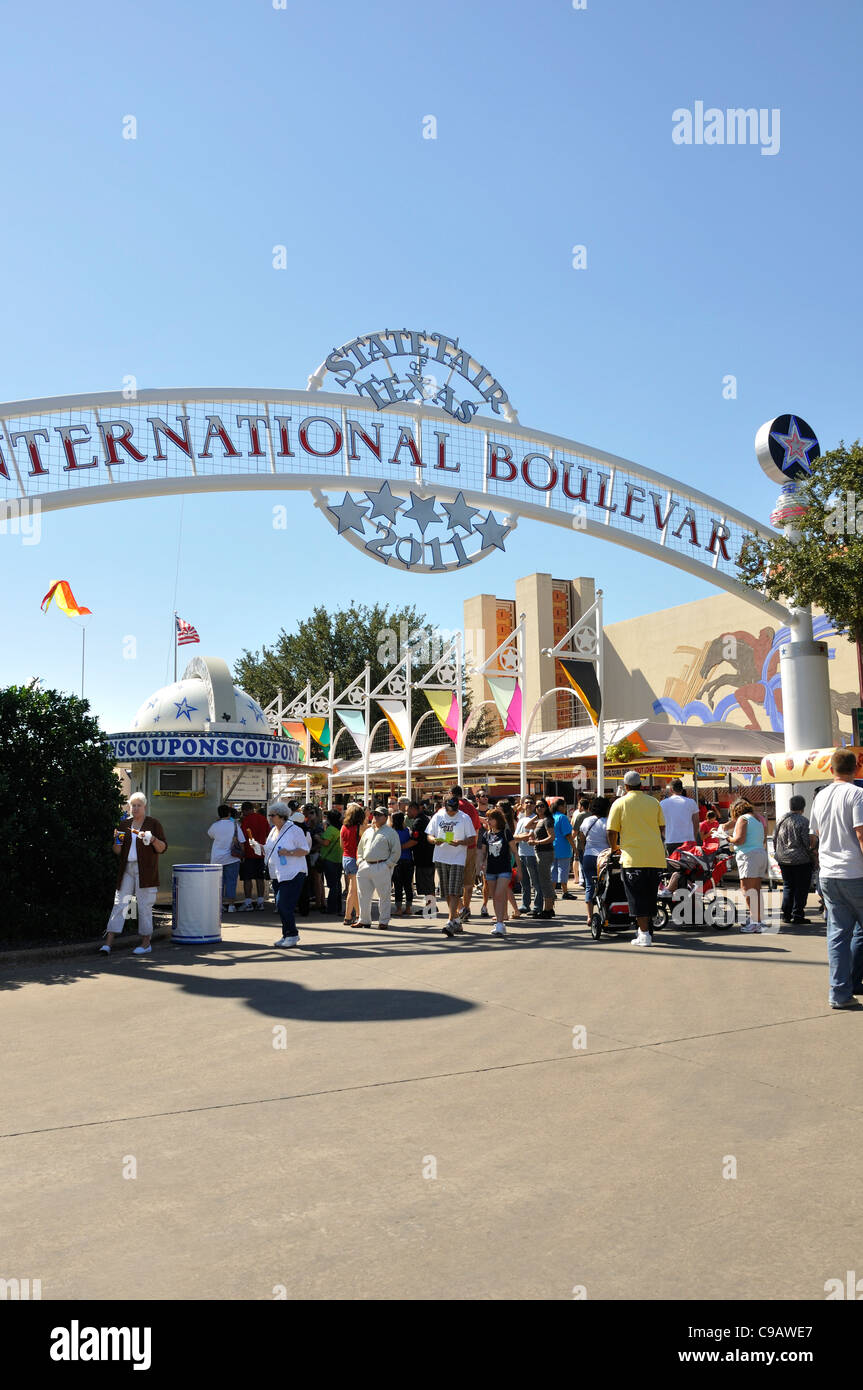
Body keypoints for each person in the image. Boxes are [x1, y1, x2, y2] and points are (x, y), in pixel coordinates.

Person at [809, 750, 863, 1009]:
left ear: (831, 769)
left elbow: (816, 834)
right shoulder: (857, 794)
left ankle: (840, 992)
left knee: (839, 934)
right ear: (856, 767)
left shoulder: (820, 796)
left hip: (828, 873)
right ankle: (850, 983)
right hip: (855, 872)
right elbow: (861, 834)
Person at [101, 793, 167, 955]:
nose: (136, 808)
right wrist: (117, 841)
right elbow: (117, 851)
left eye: (139, 805)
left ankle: (146, 943)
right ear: (129, 807)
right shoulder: (124, 825)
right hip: (127, 870)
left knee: (144, 906)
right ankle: (108, 943)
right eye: (133, 805)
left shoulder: (153, 823)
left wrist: (152, 839)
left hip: (146, 871)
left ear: (144, 807)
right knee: (120, 904)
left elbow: (162, 848)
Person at [606, 770, 666, 947]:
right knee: (650, 896)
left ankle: (645, 935)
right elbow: (662, 827)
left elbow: (611, 831)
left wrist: (614, 848)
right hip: (655, 856)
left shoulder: (620, 803)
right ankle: (644, 931)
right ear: (642, 784)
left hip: (633, 858)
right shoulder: (654, 802)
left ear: (625, 786)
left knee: (636, 897)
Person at [254, 804, 311, 947]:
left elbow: (305, 850)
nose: (270, 818)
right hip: (278, 873)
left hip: (293, 872)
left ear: (281, 816)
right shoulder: (274, 831)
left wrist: (289, 852)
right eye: (270, 815)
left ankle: (292, 934)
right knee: (281, 905)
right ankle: (287, 934)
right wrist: (256, 846)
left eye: (272, 815)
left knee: (283, 904)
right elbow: (268, 848)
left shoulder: (294, 830)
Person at [427, 794, 477, 938]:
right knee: (447, 892)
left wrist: (460, 842)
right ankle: (456, 920)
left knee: (454, 891)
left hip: (457, 858)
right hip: (441, 857)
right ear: (444, 805)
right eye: (449, 809)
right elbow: (429, 834)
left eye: (454, 809)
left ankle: (450, 921)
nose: (452, 812)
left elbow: (472, 838)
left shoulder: (464, 818)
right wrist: (434, 840)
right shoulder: (438, 816)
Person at [356, 807, 402, 928]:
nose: (376, 816)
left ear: (386, 817)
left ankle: (383, 921)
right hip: (365, 865)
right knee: (363, 895)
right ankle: (364, 920)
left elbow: (396, 851)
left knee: (384, 895)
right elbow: (360, 847)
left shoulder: (391, 832)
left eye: (379, 815)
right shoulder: (368, 831)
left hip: (381, 865)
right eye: (374, 814)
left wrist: (387, 865)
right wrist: (360, 861)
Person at [728, 798, 768, 932]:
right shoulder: (757, 819)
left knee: (747, 890)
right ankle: (759, 920)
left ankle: (754, 922)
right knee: (756, 890)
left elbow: (739, 840)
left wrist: (727, 838)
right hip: (760, 854)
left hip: (748, 855)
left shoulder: (743, 819)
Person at [774, 795, 813, 926]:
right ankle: (798, 914)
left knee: (788, 886)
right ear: (803, 807)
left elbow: (775, 839)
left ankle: (786, 914)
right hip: (801, 859)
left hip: (783, 858)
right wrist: (812, 854)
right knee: (801, 888)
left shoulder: (781, 819)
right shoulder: (803, 821)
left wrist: (777, 853)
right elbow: (806, 842)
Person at [478, 807, 515, 936]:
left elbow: (515, 852)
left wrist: (519, 869)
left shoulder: (506, 833)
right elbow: (483, 852)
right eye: (487, 818)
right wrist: (481, 863)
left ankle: (500, 923)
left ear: (497, 820)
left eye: (491, 818)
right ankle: (500, 923)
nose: (488, 821)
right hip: (490, 870)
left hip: (504, 868)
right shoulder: (486, 835)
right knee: (494, 896)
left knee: (499, 894)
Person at [577, 795, 611, 922]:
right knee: (607, 885)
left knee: (589, 886)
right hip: (604, 858)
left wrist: (585, 849)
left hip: (588, 856)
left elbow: (581, 839)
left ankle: (589, 916)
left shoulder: (586, 821)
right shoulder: (607, 822)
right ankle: (605, 913)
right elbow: (610, 841)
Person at [207, 804, 245, 915]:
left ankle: (220, 905)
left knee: (218, 883)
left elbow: (210, 835)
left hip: (217, 859)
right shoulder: (235, 825)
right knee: (231, 882)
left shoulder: (214, 825)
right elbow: (241, 841)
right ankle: (231, 905)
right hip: (232, 858)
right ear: (229, 813)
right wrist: (242, 855)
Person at [451, 784, 481, 922]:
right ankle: (466, 908)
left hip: (455, 848)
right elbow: (477, 829)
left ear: (451, 793)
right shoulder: (471, 808)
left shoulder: (451, 807)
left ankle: (461, 908)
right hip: (471, 847)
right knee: (468, 882)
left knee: (454, 881)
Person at [529, 797, 557, 919]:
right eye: (537, 806)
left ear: (547, 808)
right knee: (543, 880)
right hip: (540, 852)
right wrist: (537, 814)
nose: (539, 808)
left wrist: (537, 842)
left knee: (545, 881)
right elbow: (527, 825)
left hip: (545, 853)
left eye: (542, 806)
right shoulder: (540, 820)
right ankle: (549, 908)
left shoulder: (547, 820)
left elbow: (552, 837)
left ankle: (548, 909)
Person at [513, 796, 542, 915]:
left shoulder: (535, 820)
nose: (529, 804)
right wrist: (521, 836)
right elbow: (515, 838)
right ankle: (525, 904)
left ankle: (537, 906)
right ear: (522, 805)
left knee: (535, 882)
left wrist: (521, 837)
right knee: (524, 882)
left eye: (531, 802)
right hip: (521, 854)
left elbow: (528, 837)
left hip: (532, 854)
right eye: (526, 802)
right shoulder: (521, 820)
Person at [239, 800, 270, 911]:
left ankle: (248, 903)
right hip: (261, 853)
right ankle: (260, 902)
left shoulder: (245, 821)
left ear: (245, 810)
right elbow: (268, 834)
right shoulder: (263, 819)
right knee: (260, 878)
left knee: (247, 879)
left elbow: (241, 837)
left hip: (248, 853)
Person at [340, 802, 365, 926]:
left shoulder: (343, 827)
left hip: (345, 858)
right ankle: (348, 916)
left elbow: (341, 844)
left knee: (353, 889)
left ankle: (359, 914)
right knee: (353, 890)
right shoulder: (360, 828)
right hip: (356, 859)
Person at [409, 800, 435, 917]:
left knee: (427, 883)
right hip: (428, 855)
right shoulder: (424, 819)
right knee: (428, 882)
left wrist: (400, 847)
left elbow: (414, 840)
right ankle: (431, 906)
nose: (407, 813)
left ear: (414, 809)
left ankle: (430, 908)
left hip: (423, 857)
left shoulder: (418, 821)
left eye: (408, 810)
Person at [661, 779, 701, 852]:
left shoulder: (663, 803)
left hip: (671, 840)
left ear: (671, 789)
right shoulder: (691, 802)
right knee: (688, 863)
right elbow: (696, 822)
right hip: (688, 840)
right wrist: (693, 837)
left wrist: (666, 836)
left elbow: (660, 824)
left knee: (673, 862)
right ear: (682, 790)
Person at [317, 810, 344, 915]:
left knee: (332, 885)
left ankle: (331, 908)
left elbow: (326, 843)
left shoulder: (331, 829)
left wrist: (318, 838)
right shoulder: (340, 829)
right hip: (339, 859)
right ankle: (338, 906)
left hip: (329, 859)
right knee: (337, 884)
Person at [551, 797, 576, 899]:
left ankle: (552, 892)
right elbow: (568, 835)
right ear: (560, 807)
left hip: (552, 846)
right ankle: (565, 891)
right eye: (564, 806)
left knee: (553, 870)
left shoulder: (551, 817)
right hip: (563, 847)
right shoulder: (562, 817)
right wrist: (575, 848)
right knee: (563, 870)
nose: (565, 808)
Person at [391, 811, 415, 915]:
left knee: (398, 885)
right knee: (408, 885)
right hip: (408, 859)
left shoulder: (392, 832)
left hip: (396, 861)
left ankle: (399, 908)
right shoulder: (407, 831)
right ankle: (408, 908)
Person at [570, 795, 591, 889]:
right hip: (591, 842)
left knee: (582, 863)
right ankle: (589, 880)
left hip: (580, 843)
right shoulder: (592, 815)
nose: (578, 807)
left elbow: (575, 831)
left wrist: (570, 840)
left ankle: (585, 881)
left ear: (582, 806)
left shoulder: (580, 816)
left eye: (579, 805)